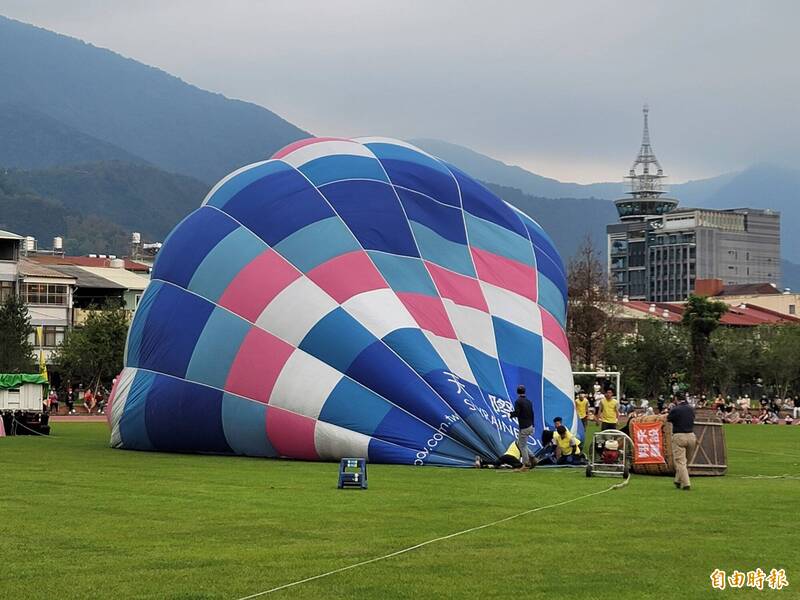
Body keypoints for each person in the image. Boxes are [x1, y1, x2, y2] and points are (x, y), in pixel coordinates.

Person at [667, 395, 696, 490]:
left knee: (680, 462)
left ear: (676, 399)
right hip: (691, 436)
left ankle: (686, 483)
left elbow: (669, 418)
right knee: (686, 462)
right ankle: (677, 480)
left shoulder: (676, 409)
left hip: (679, 436)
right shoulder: (691, 409)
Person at [510, 384, 533, 471]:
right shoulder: (529, 401)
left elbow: (517, 413)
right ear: (524, 392)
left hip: (524, 427)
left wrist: (511, 414)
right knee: (522, 444)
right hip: (530, 425)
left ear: (517, 392)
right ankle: (533, 457)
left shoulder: (518, 401)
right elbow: (532, 414)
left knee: (522, 445)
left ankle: (526, 464)